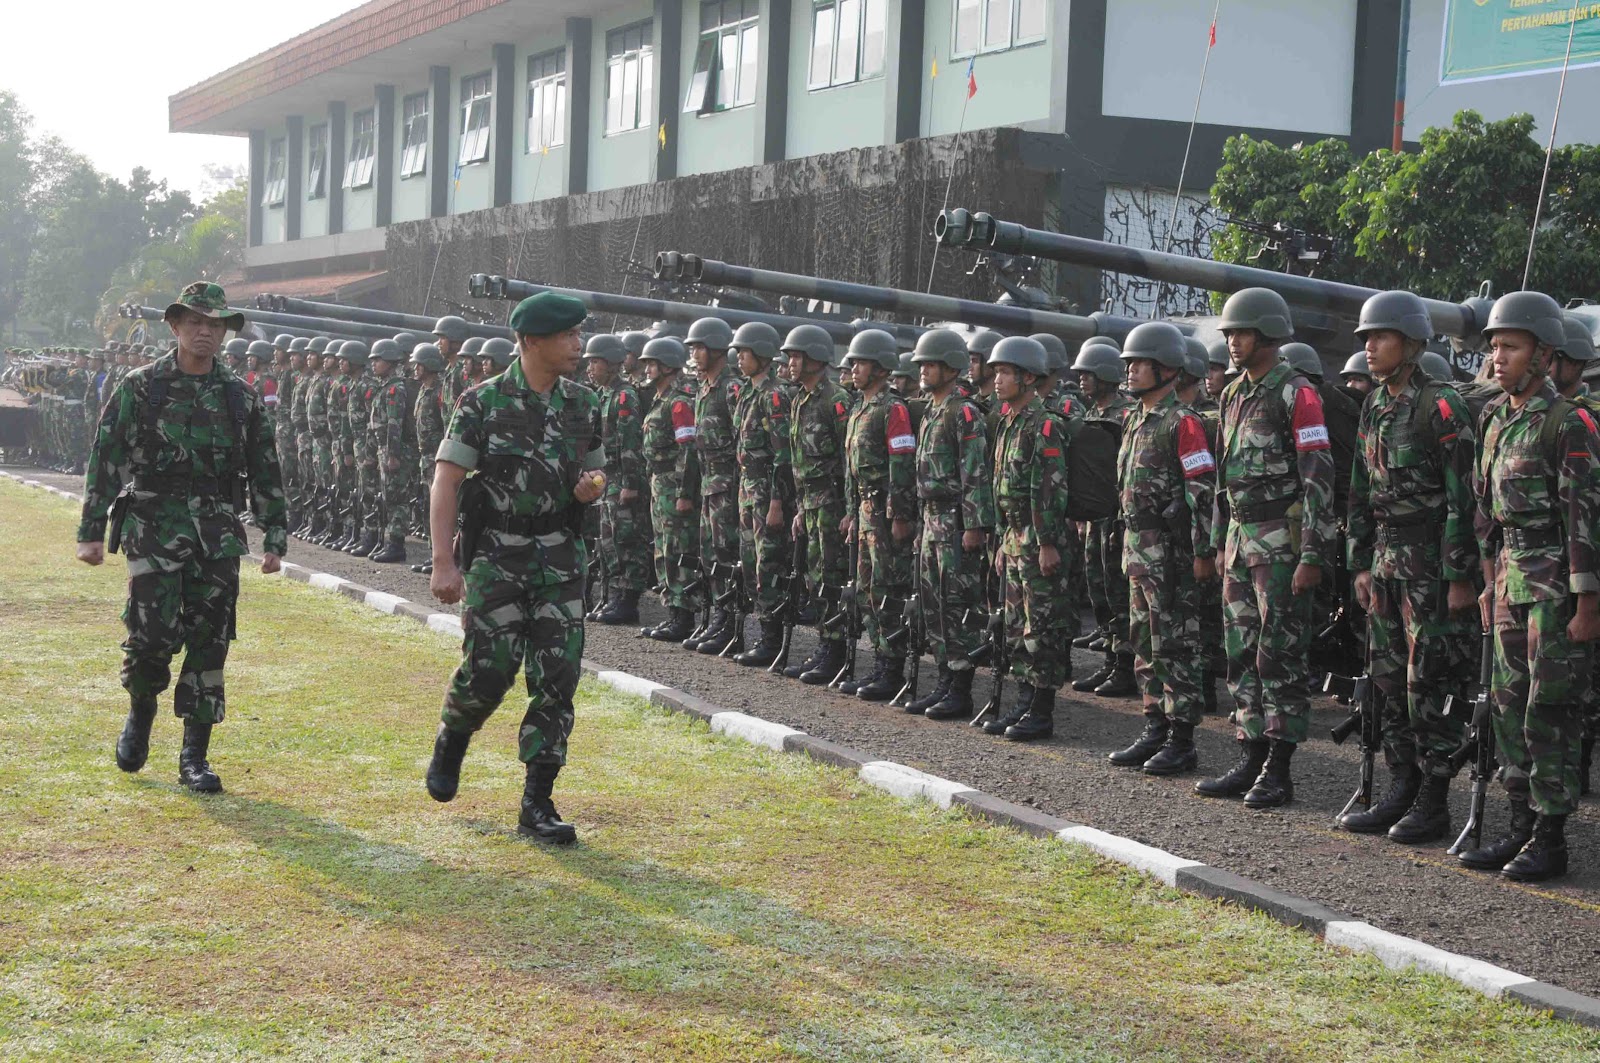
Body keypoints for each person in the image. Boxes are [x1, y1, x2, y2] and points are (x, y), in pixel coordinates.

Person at [75, 281, 286, 793]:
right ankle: (140, 711)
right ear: (174, 326)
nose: (205, 332)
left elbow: (265, 466)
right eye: (195, 322)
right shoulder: (141, 387)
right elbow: (106, 457)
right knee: (150, 637)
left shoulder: (240, 397)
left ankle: (195, 756)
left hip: (216, 531)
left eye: (214, 325)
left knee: (210, 641)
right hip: (153, 525)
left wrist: (274, 535)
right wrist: (91, 531)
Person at [423, 291, 605, 844]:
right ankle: (454, 733)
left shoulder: (583, 403)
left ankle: (538, 803)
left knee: (557, 678)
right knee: (491, 667)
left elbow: (597, 476)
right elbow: (446, 481)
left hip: (559, 556)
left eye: (579, 334)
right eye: (567, 336)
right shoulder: (482, 403)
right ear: (531, 341)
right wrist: (443, 563)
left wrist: (590, 488)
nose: (579, 345)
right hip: (497, 557)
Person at [1460, 291, 1600, 881]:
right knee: (1508, 708)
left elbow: (1585, 519)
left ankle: (1551, 837)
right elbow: (1487, 514)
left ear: (1544, 354)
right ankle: (1519, 825)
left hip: (1555, 592)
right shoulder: (1495, 418)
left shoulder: (1569, 423)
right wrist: (1490, 584)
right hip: (1511, 585)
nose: (1498, 358)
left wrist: (1587, 604)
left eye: (1510, 347)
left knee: (1550, 712)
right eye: (1493, 347)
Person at [1341, 292, 1478, 842]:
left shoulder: (1440, 405)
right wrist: (1360, 562)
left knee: (1430, 682)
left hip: (1432, 565)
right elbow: (1359, 490)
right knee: (1387, 678)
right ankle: (1402, 784)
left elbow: (1465, 496)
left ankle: (1435, 798)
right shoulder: (1375, 405)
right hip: (1387, 561)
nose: (1369, 347)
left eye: (1380, 337)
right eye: (1365, 339)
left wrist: (1461, 573)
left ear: (1413, 343)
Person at [1197, 288, 1336, 808]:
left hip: (1281, 541)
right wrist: (1216, 541)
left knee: (1278, 654)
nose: (1232, 342)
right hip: (1238, 540)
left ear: (1268, 335)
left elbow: (1318, 476)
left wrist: (1313, 554)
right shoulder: (1232, 394)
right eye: (1229, 333)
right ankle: (1250, 755)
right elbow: (1220, 477)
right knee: (1240, 654)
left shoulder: (1296, 393)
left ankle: (1279, 768)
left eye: (1242, 332)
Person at [1106, 322, 1217, 774]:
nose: (1130, 371)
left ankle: (1182, 738)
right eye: (1128, 363)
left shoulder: (1183, 423)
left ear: (1166, 368)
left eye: (1139, 363)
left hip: (1170, 553)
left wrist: (1203, 552)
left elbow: (1202, 490)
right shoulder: (1135, 419)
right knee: (1144, 642)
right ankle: (1154, 726)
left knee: (1176, 644)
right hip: (1139, 548)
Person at [982, 336, 1071, 741]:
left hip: (1038, 540)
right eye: (996, 371)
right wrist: (1004, 538)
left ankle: (1042, 710)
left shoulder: (1044, 425)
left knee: (1043, 627)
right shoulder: (1007, 422)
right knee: (1017, 626)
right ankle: (1023, 701)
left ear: (1028, 377)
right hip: (1015, 537)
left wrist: (1048, 541)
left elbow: (1049, 488)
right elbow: (1002, 487)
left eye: (1005, 372)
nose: (996, 379)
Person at [906, 329, 994, 719]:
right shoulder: (931, 411)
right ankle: (944, 679)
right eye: (922, 364)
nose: (923, 370)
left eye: (931, 364)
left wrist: (975, 526)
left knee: (957, 604)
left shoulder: (964, 412)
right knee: (933, 604)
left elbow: (975, 472)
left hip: (956, 521)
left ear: (951, 367)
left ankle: (961, 688)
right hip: (931, 520)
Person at [841, 329, 918, 700]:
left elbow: (902, 462)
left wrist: (900, 513)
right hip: (865, 510)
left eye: (861, 362)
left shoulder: (893, 408)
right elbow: (850, 467)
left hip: (886, 512)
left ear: (881, 367)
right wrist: (851, 511)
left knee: (888, 591)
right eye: (853, 362)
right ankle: (879, 664)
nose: (854, 368)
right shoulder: (859, 407)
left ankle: (892, 669)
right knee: (868, 591)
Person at [780, 324, 853, 684]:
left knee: (832, 578)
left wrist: (849, 510)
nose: (791, 362)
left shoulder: (835, 400)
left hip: (832, 505)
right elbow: (798, 463)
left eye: (797, 355)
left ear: (815, 358)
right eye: (790, 356)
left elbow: (848, 458)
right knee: (814, 578)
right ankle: (825, 644)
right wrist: (798, 507)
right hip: (809, 504)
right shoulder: (800, 401)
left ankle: (835, 649)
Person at [1071, 340, 1138, 697]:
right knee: (1099, 588)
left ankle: (1125, 665)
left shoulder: (1126, 414)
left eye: (1089, 372)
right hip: (1096, 517)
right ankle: (1111, 660)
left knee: (1118, 589)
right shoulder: (1091, 413)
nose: (1082, 378)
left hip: (1118, 518)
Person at [727, 322, 795, 667]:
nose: (739, 358)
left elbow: (782, 454)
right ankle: (763, 633)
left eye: (745, 352)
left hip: (767, 493)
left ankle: (771, 639)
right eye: (738, 352)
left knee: (769, 563)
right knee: (751, 562)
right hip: (747, 489)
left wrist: (776, 502)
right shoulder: (746, 394)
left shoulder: (773, 395)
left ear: (763, 355)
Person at [684, 318, 744, 653]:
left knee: (726, 553)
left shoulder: (731, 389)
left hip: (728, 485)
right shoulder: (704, 388)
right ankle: (714, 618)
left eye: (698, 346)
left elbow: (742, 440)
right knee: (708, 554)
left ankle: (728, 621)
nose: (693, 353)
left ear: (717, 349)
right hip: (709, 484)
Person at [582, 334, 650, 625]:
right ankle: (613, 597)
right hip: (606, 477)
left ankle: (628, 601)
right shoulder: (603, 394)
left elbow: (631, 442)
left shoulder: (625, 396)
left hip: (622, 478)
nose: (590, 368)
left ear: (611, 364)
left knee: (627, 540)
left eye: (595, 362)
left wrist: (631, 484)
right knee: (608, 541)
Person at [637, 336, 702, 643]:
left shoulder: (679, 401)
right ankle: (673, 611)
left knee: (677, 548)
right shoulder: (661, 399)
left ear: (667, 366)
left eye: (652, 363)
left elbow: (687, 449)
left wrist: (684, 492)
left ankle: (683, 614)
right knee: (663, 548)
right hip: (658, 482)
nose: (647, 369)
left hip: (672, 484)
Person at [366, 339, 411, 564]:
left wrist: (393, 454)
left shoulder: (395, 388)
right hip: (383, 449)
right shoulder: (384, 387)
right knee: (387, 498)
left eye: (378, 360)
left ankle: (396, 545)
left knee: (396, 499)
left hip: (393, 451)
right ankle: (388, 543)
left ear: (390, 362)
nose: (374, 364)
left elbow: (394, 423)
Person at [408, 342, 447, 576]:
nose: (415, 368)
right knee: (429, 507)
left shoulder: (439, 391)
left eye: (419, 364)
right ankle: (433, 554)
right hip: (426, 456)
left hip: (437, 457)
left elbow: (446, 424)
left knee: (440, 508)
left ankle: (441, 556)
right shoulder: (423, 390)